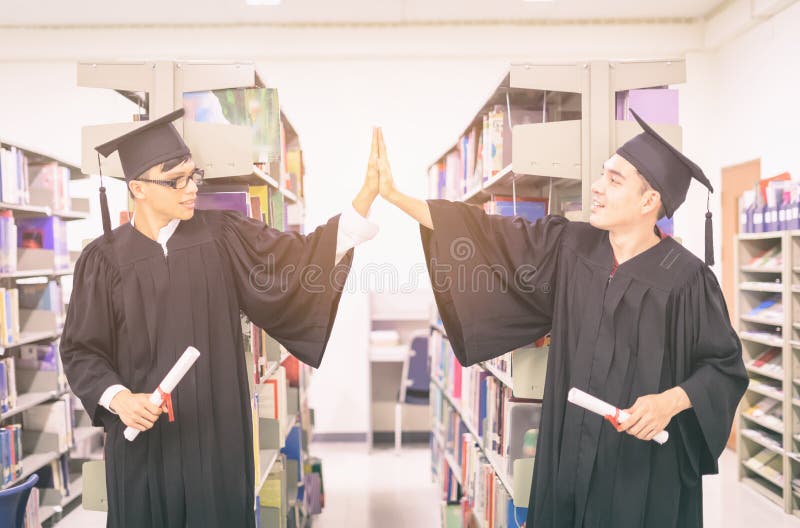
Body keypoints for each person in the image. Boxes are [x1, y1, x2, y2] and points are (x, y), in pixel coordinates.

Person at [375, 110, 747, 527]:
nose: (597, 186)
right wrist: (395, 196)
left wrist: (669, 402)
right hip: (567, 456)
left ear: (649, 201)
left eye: (614, 179)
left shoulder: (686, 280)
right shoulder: (572, 247)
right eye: (602, 174)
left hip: (642, 471)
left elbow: (724, 368)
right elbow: (490, 235)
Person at [61, 109, 380, 527]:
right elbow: (82, 349)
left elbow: (297, 262)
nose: (190, 188)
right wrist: (118, 398)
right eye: (175, 180)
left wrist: (361, 204)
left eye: (194, 176)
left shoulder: (223, 237)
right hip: (141, 446)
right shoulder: (102, 260)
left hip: (215, 438)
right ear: (137, 188)